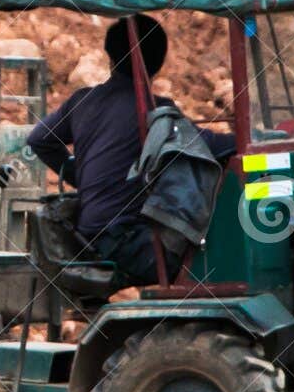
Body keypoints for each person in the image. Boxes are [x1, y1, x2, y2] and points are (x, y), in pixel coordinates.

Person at [27, 15, 234, 285]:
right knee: (219, 242)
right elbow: (214, 146)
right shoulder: (153, 111)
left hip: (87, 237)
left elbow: (41, 139)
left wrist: (82, 178)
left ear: (110, 56)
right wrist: (257, 136)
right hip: (128, 244)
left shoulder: (83, 101)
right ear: (158, 64)